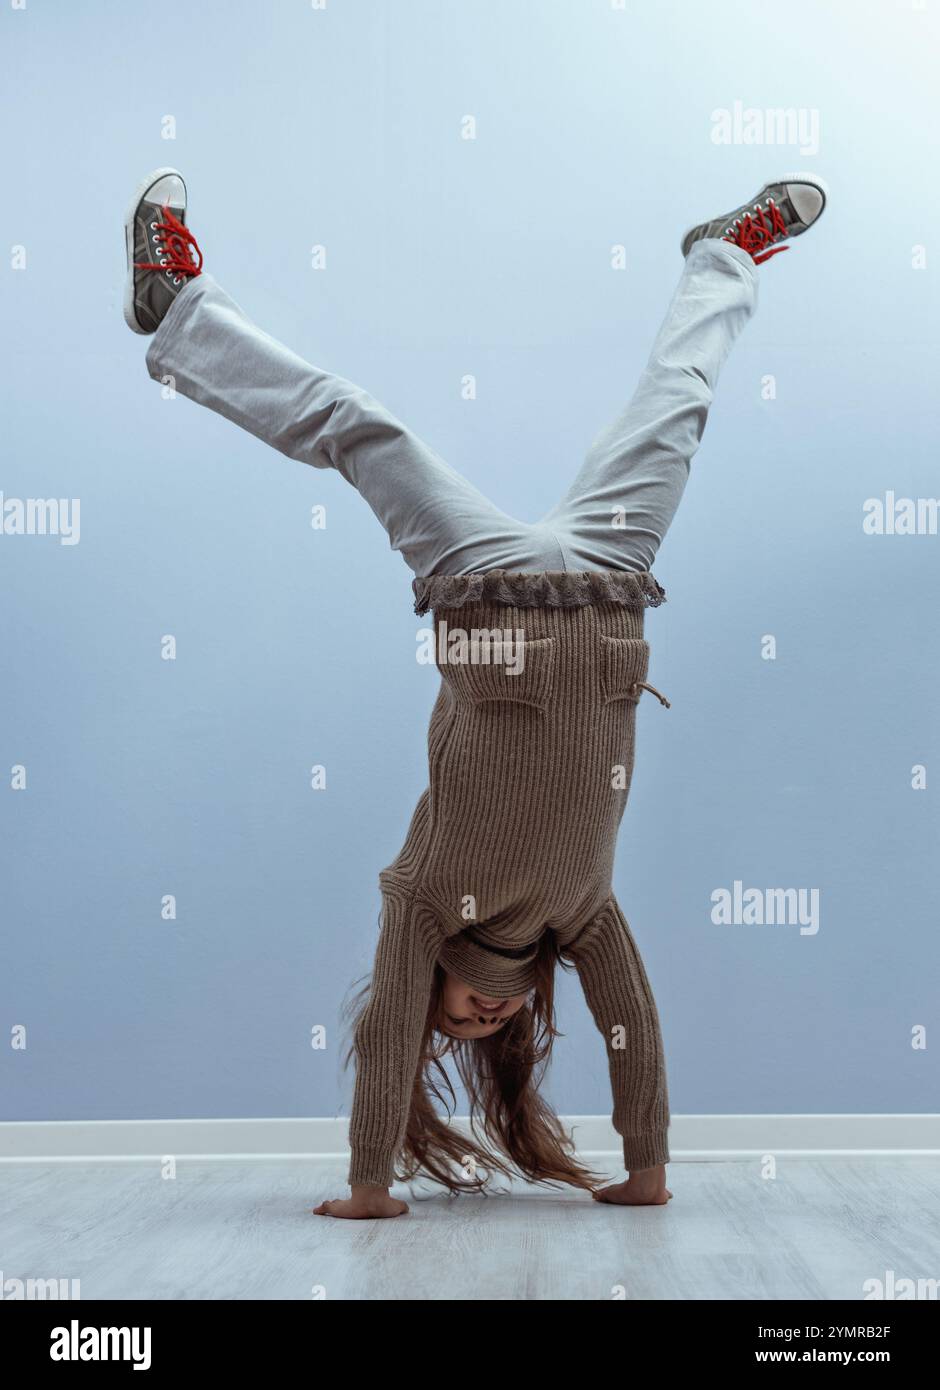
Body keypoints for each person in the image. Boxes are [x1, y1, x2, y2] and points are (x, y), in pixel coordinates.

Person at [124, 168, 827, 1218]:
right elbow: (630, 1022)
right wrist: (646, 1169)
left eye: (455, 1018)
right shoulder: (580, 916)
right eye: (493, 1028)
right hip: (609, 584)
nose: (480, 1014)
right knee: (678, 406)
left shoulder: (421, 902)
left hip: (485, 582)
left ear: (431, 993)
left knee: (357, 427)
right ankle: (724, 253)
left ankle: (174, 304)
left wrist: (371, 1184)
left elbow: (390, 1024)